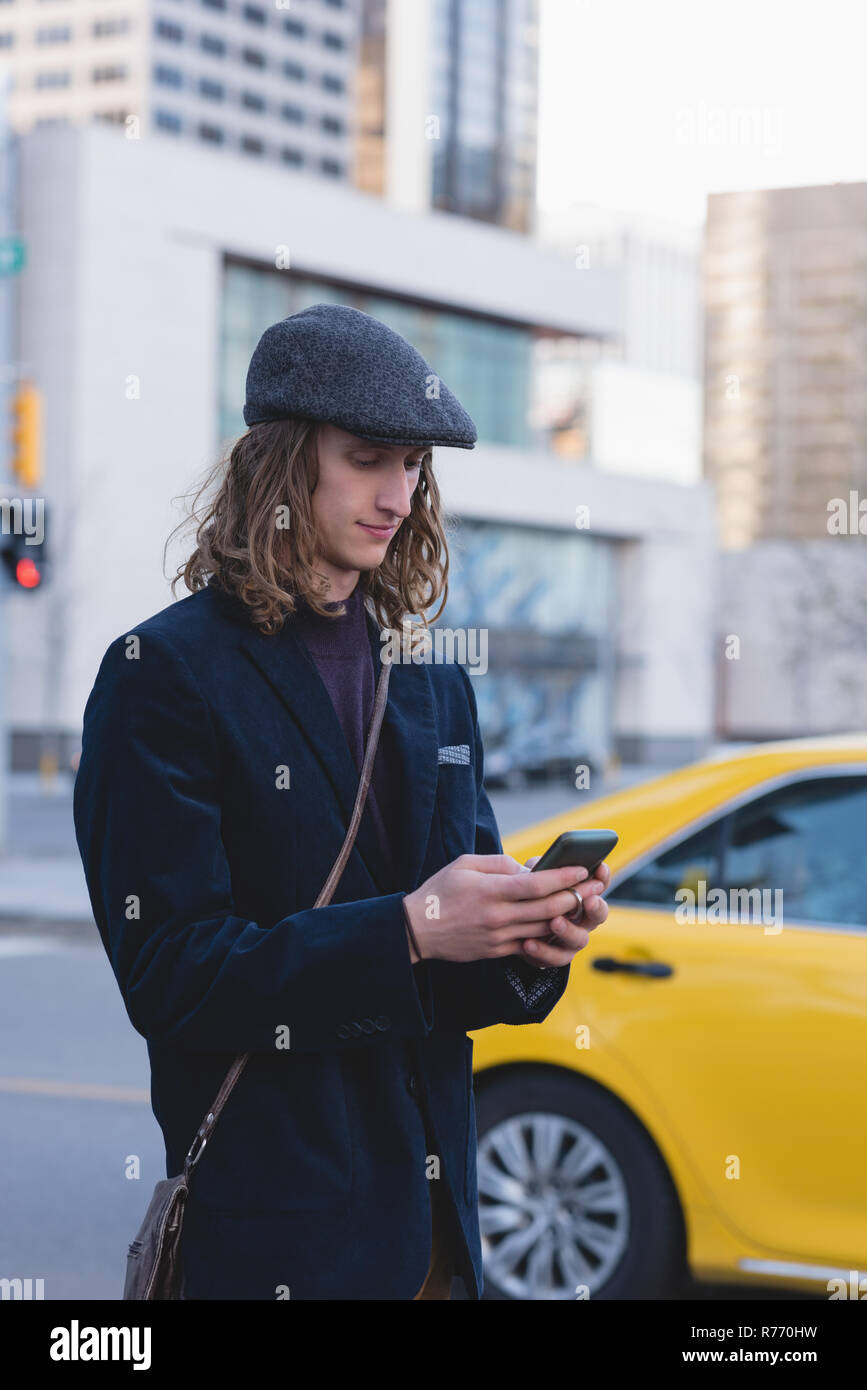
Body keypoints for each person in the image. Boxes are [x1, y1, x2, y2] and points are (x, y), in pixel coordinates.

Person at [72, 303, 610, 1301]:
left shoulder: (432, 679)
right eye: (370, 458)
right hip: (278, 1246)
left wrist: (528, 941)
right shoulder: (164, 674)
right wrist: (408, 928)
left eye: (414, 466)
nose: (398, 494)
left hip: (441, 1241)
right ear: (281, 465)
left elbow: (452, 972)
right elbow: (171, 973)